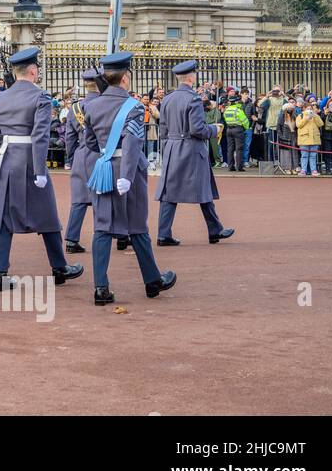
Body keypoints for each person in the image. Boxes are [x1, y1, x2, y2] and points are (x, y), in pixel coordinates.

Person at [82, 52, 177, 305]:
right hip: (128, 171)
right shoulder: (134, 106)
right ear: (125, 78)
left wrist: (106, 155)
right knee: (137, 227)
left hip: (102, 170)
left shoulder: (90, 105)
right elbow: (133, 143)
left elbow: (89, 143)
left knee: (102, 227)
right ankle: (152, 281)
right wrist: (125, 175)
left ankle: (101, 288)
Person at [0, 46, 84, 287]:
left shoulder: (1, 97)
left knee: (3, 217)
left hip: (7, 161)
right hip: (30, 161)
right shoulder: (40, 97)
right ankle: (59, 267)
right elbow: (40, 136)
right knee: (47, 215)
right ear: (33, 71)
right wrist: (40, 169)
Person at [155, 60, 235, 245]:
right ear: (192, 77)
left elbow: (164, 129)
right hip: (191, 148)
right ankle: (215, 230)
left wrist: (169, 146)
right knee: (203, 190)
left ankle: (163, 234)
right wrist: (214, 129)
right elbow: (197, 130)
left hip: (173, 148)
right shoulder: (193, 99)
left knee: (169, 192)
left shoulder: (167, 99)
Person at [62, 69, 102, 253]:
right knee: (103, 198)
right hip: (101, 154)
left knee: (79, 200)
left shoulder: (76, 108)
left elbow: (70, 138)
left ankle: (71, 239)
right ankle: (109, 236)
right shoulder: (104, 103)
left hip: (80, 154)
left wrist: (72, 158)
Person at [222, 93, 250, 172]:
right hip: (238, 130)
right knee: (239, 149)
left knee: (230, 149)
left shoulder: (227, 110)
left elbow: (224, 118)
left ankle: (230, 167)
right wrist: (246, 128)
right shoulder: (238, 110)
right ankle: (239, 167)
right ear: (236, 102)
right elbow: (245, 121)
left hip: (229, 130)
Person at [296, 100, 322, 176]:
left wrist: (315, 116)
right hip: (304, 139)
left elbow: (321, 124)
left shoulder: (315, 116)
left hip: (314, 139)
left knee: (313, 156)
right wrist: (306, 118)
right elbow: (298, 125)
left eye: (310, 108)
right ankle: (303, 170)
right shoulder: (300, 116)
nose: (309, 110)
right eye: (307, 108)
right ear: (303, 109)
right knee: (304, 156)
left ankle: (314, 170)